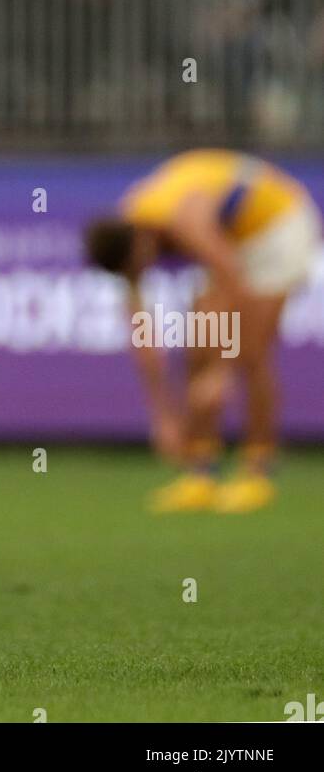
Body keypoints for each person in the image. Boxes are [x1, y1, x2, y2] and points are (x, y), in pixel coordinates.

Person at [85, 150, 321, 513]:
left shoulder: (185, 220)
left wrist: (222, 370)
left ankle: (257, 470)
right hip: (234, 241)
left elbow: (235, 282)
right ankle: (201, 471)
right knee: (198, 346)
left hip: (278, 227)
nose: (144, 271)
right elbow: (143, 336)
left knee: (251, 350)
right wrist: (162, 415)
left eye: (140, 264)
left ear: (140, 242)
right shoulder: (129, 229)